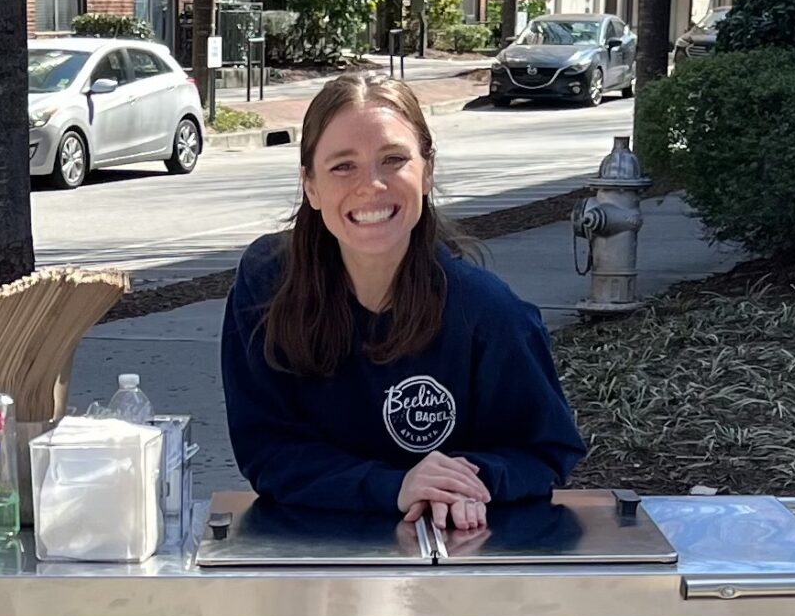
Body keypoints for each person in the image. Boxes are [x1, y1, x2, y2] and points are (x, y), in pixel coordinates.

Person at [221, 72, 584, 538]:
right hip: (309, 552)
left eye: (393, 159)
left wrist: (462, 481)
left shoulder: (490, 314)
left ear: (427, 172)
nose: (371, 184)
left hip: (455, 565)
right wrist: (395, 486)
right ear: (310, 186)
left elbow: (546, 451)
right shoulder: (268, 284)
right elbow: (267, 448)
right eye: (342, 166)